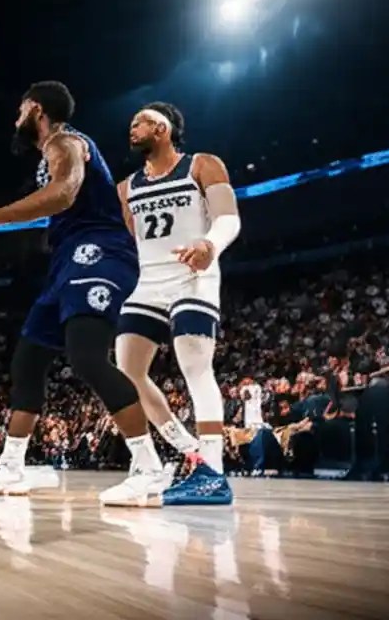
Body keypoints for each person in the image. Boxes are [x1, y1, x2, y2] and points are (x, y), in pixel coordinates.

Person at [0, 81, 165, 506]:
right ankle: (12, 464)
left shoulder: (66, 141)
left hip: (98, 251)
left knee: (87, 356)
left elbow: (64, 192)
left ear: (35, 109)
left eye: (20, 110)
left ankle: (149, 468)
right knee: (29, 359)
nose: (15, 118)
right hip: (67, 261)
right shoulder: (50, 151)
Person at [114, 101, 239, 505]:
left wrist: (210, 244)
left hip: (194, 277)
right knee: (126, 371)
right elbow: (138, 242)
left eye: (141, 123)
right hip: (149, 282)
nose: (132, 129)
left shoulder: (203, 165)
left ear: (162, 128)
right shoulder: (126, 187)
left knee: (194, 366)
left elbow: (228, 217)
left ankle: (214, 474)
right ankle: (189, 451)